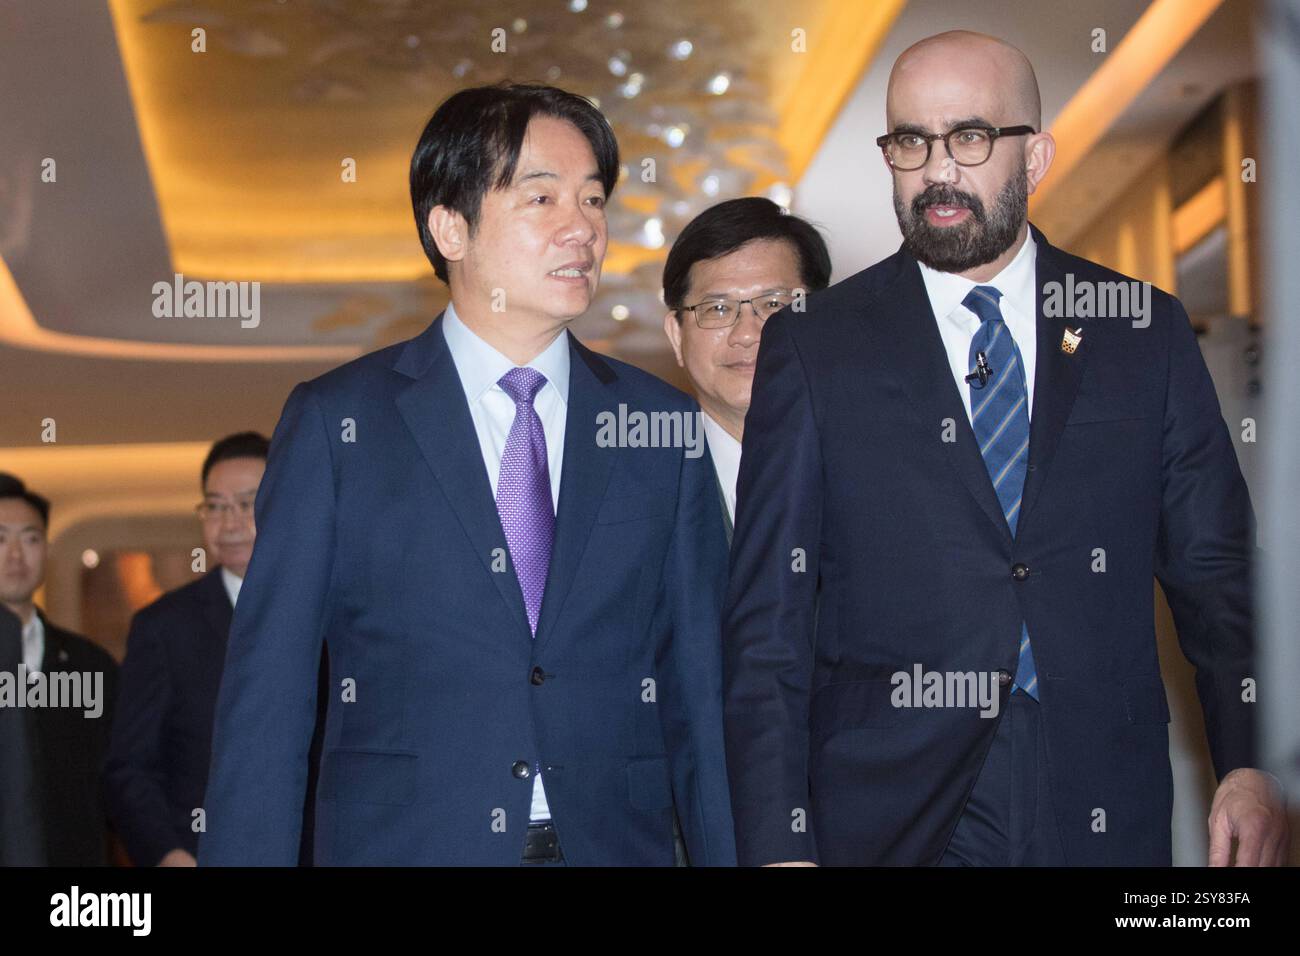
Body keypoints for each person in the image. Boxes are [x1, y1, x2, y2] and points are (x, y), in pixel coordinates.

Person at [722, 31, 1289, 866]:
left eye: (972, 137)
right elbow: (768, 622)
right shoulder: (815, 346)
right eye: (910, 141)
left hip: (1099, 787)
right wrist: (780, 843)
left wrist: (1252, 761)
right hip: (890, 803)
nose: (937, 170)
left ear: (1038, 155)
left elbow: (1220, 573)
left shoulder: (1142, 330)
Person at [199, 83, 735, 866]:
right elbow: (268, 699)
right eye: (541, 197)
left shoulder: (661, 426)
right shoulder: (338, 423)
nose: (581, 227)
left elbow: (702, 696)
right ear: (449, 226)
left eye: (593, 199)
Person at [104, 433, 326, 866]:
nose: (229, 522)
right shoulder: (164, 627)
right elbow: (129, 767)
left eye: (247, 503)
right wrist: (168, 854)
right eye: (216, 505)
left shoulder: (334, 614)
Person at [662, 197, 831, 539]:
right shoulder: (635, 488)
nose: (747, 334)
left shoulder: (882, 471)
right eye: (719, 309)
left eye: (773, 305)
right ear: (676, 336)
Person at [0, 472, 118, 866]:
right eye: (0, 538)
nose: (15, 555)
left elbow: (117, 776)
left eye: (30, 539)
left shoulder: (91, 665)